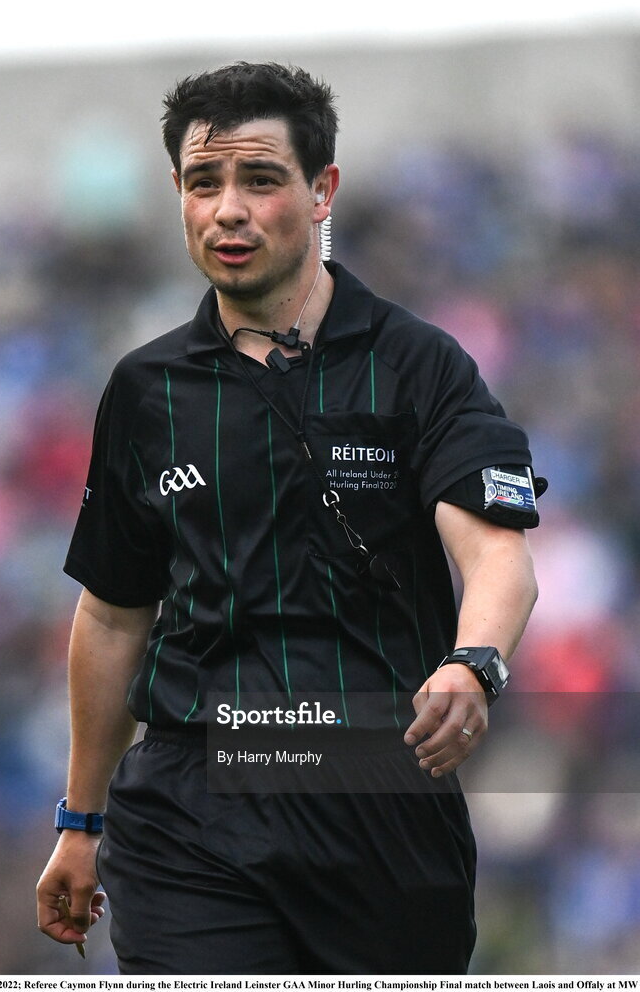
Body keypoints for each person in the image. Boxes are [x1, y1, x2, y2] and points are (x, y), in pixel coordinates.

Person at [36, 61, 542, 974]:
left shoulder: (421, 366)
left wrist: (473, 663)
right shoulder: (145, 389)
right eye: (203, 182)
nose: (227, 209)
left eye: (260, 180)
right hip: (190, 802)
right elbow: (113, 614)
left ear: (320, 192)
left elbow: (497, 554)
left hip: (379, 799)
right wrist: (80, 821)